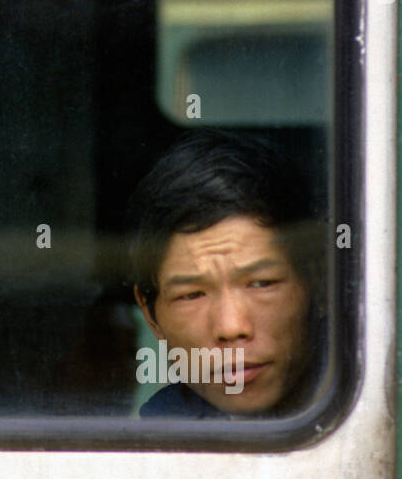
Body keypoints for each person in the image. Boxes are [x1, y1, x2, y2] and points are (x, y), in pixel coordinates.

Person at [125, 130, 322, 419]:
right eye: (191, 295)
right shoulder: (157, 444)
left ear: (318, 282)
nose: (231, 327)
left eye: (261, 284)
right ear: (149, 313)